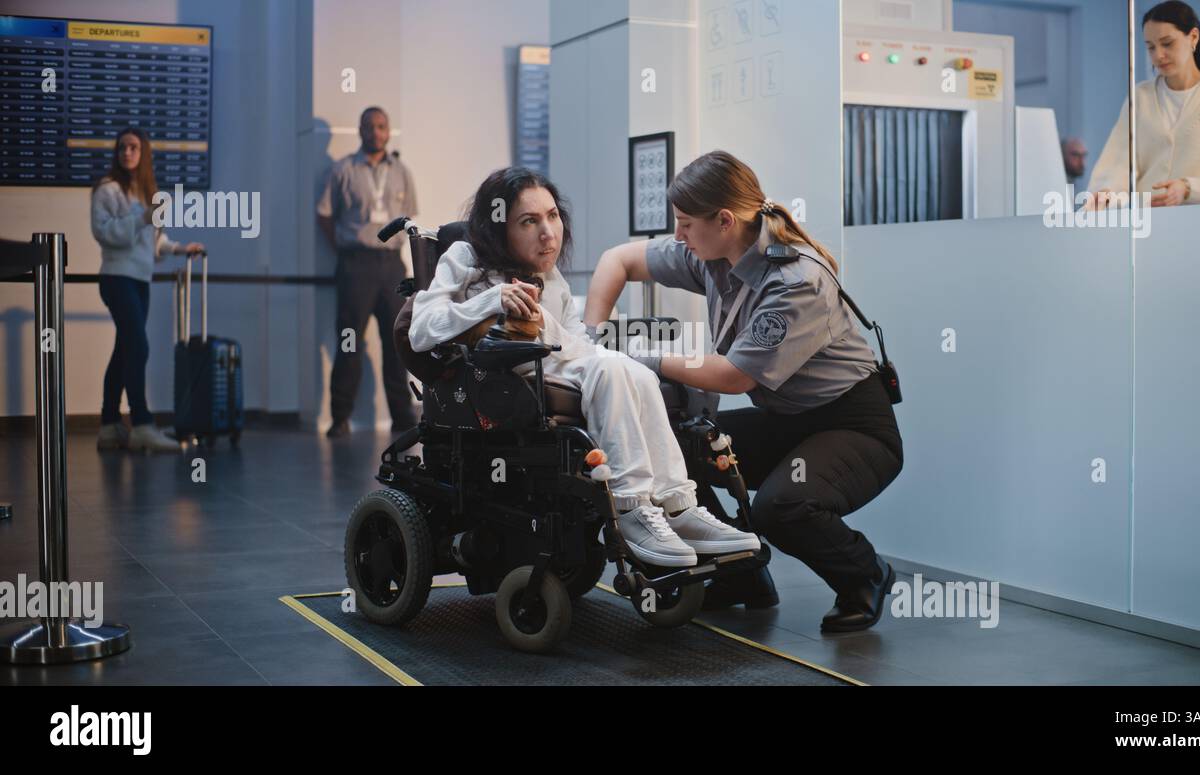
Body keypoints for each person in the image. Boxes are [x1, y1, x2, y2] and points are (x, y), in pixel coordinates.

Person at [584, 150, 904, 632]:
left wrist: (636, 356)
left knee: (780, 506)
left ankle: (866, 574)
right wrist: (594, 336)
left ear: (726, 220)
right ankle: (741, 576)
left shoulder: (794, 281)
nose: (678, 236)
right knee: (671, 447)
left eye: (686, 224)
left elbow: (736, 377)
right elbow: (618, 259)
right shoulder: (713, 255)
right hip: (788, 419)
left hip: (853, 424)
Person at [407, 167, 760, 568]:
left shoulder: (546, 270)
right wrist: (492, 301)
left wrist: (610, 347)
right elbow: (421, 331)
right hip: (502, 375)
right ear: (500, 227)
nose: (548, 234)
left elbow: (574, 339)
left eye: (552, 216)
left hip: (557, 361)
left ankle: (680, 508)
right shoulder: (465, 256)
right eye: (530, 221)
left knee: (637, 371)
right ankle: (631, 509)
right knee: (610, 371)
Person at [91, 127, 203, 453]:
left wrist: (181, 249)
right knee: (138, 347)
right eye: (122, 147)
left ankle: (110, 425)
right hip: (117, 278)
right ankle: (141, 424)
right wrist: (143, 219)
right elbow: (105, 233)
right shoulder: (107, 191)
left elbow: (154, 243)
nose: (127, 153)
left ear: (144, 154)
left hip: (140, 280)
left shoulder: (144, 193)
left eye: (134, 148)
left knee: (124, 351)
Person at [1087, 1, 1200, 208]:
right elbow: (1118, 164)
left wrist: (1188, 188)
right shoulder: (1140, 97)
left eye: (1167, 43)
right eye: (1151, 47)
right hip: (1148, 226)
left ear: (1193, 37)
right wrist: (1106, 194)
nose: (1158, 55)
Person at [317, 106, 420, 437]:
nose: (375, 132)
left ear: (388, 132)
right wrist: (346, 250)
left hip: (392, 267)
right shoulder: (342, 169)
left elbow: (411, 220)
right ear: (360, 131)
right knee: (349, 343)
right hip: (355, 266)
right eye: (369, 126)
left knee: (398, 342)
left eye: (381, 126)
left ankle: (403, 418)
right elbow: (325, 215)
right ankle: (340, 418)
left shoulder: (402, 171)